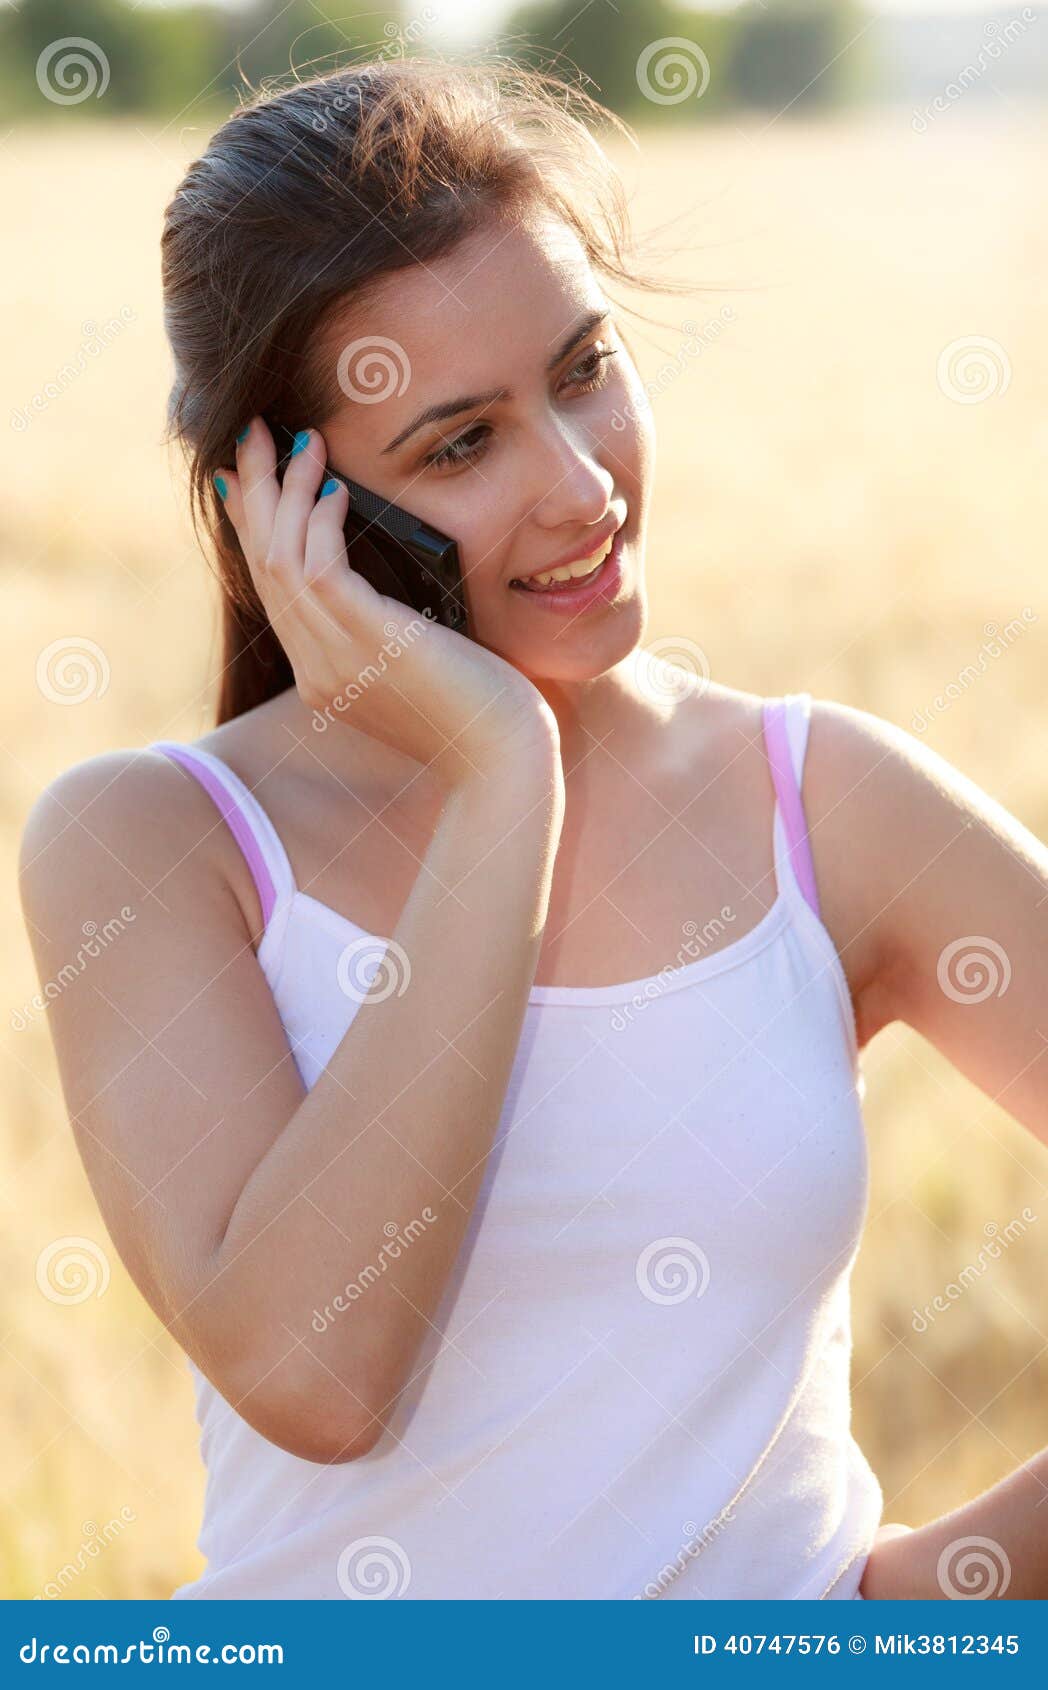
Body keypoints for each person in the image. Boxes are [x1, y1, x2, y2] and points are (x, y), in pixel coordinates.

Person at [18, 54, 1048, 1602]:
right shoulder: (151, 846)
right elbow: (321, 1372)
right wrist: (505, 775)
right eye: (460, 443)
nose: (581, 487)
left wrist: (897, 1607)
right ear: (282, 503)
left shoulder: (827, 803)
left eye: (583, 368)